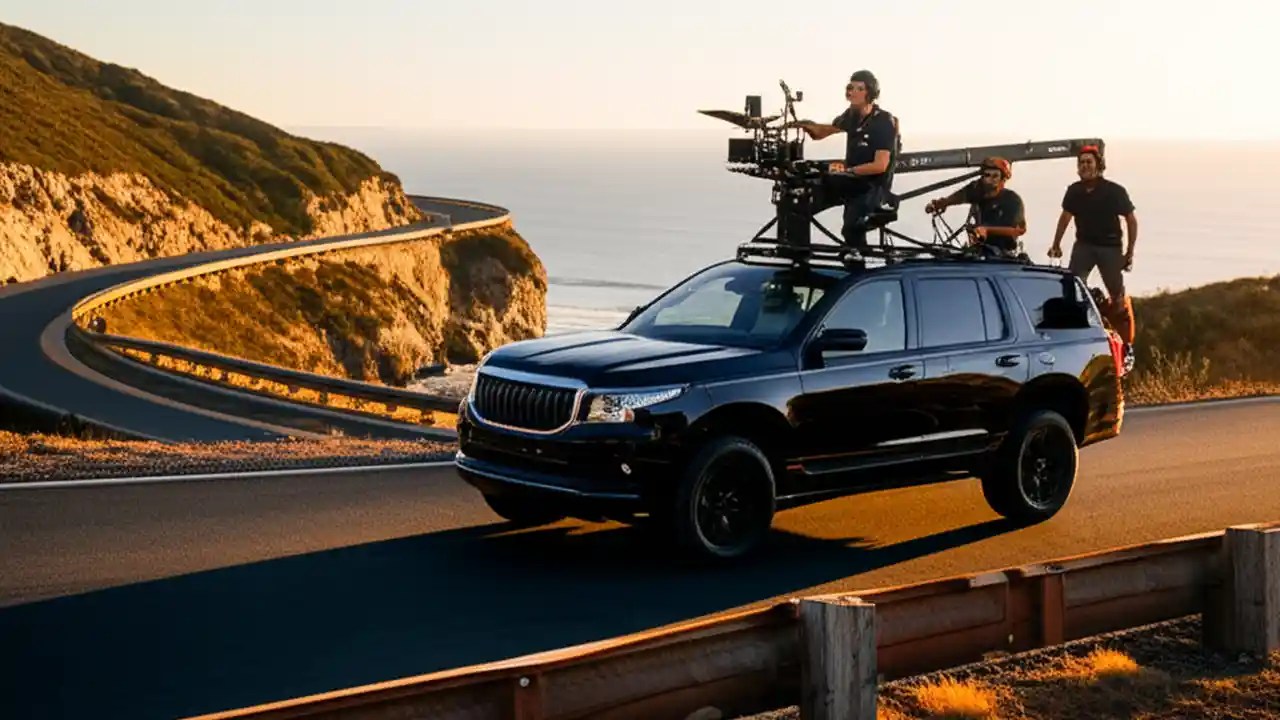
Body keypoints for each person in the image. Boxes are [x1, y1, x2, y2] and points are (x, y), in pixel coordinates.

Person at [789, 70, 900, 252]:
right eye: (850, 87)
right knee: (800, 202)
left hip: (872, 186)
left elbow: (880, 165)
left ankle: (858, 267)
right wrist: (807, 125)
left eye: (859, 88)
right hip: (851, 180)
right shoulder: (851, 115)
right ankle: (796, 252)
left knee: (852, 229)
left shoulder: (883, 121)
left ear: (870, 93)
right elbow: (826, 131)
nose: (852, 92)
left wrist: (849, 171)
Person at [1048, 145, 1138, 362]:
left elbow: (1131, 220)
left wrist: (1129, 252)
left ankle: (1126, 346)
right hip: (1084, 245)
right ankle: (1074, 338)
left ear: (1099, 165)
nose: (1085, 166)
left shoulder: (1115, 191)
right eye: (1081, 163)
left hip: (1110, 247)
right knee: (1071, 287)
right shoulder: (1074, 191)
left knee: (1117, 297)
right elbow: (1065, 217)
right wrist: (1056, 244)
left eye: (1089, 162)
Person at [924, 157, 1026, 257]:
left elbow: (1019, 230)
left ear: (1003, 179)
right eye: (987, 175)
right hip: (980, 251)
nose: (990, 179)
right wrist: (940, 204)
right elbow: (960, 196)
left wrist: (987, 230)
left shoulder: (1012, 200)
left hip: (1003, 253)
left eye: (995, 176)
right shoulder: (977, 191)